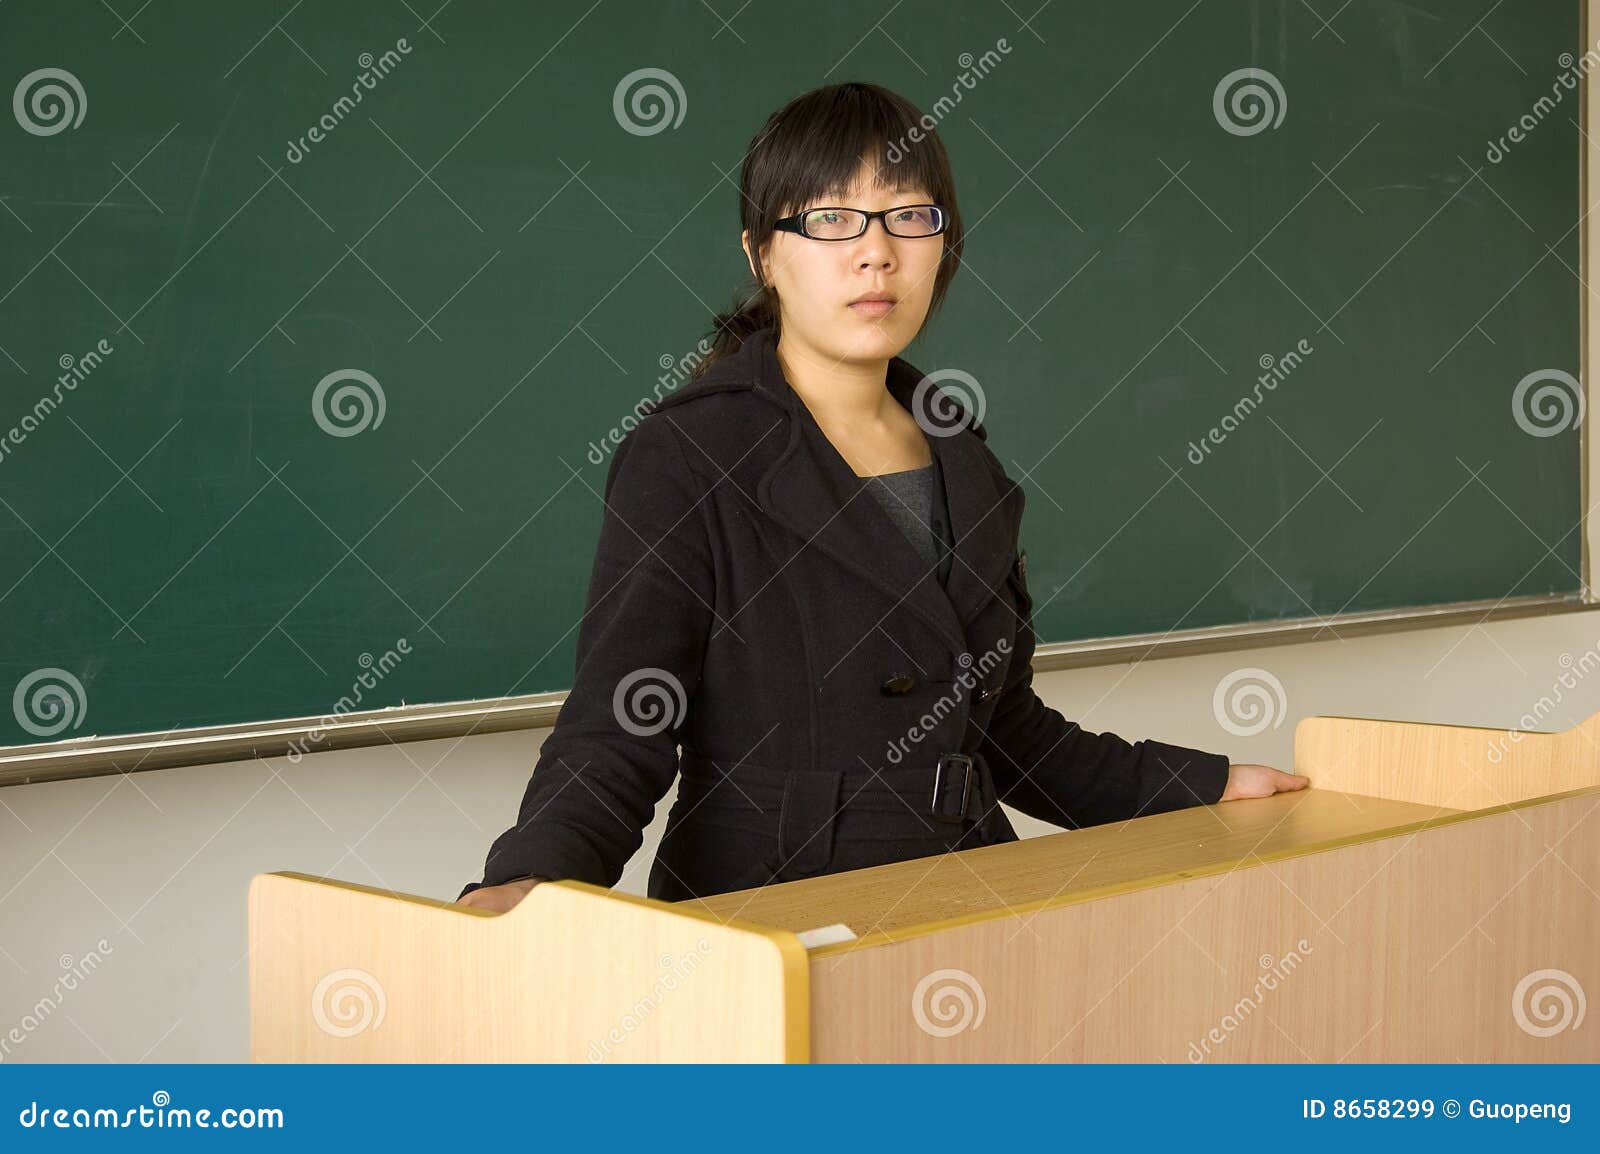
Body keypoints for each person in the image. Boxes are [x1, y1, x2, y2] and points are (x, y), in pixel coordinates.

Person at [458, 81, 1304, 914]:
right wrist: (532, 884)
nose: (877, 252)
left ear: (944, 242)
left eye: (909, 216)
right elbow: (621, 725)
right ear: (762, 253)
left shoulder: (966, 458)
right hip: (770, 918)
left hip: (973, 897)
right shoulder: (690, 453)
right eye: (830, 220)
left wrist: (1202, 785)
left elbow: (1006, 732)